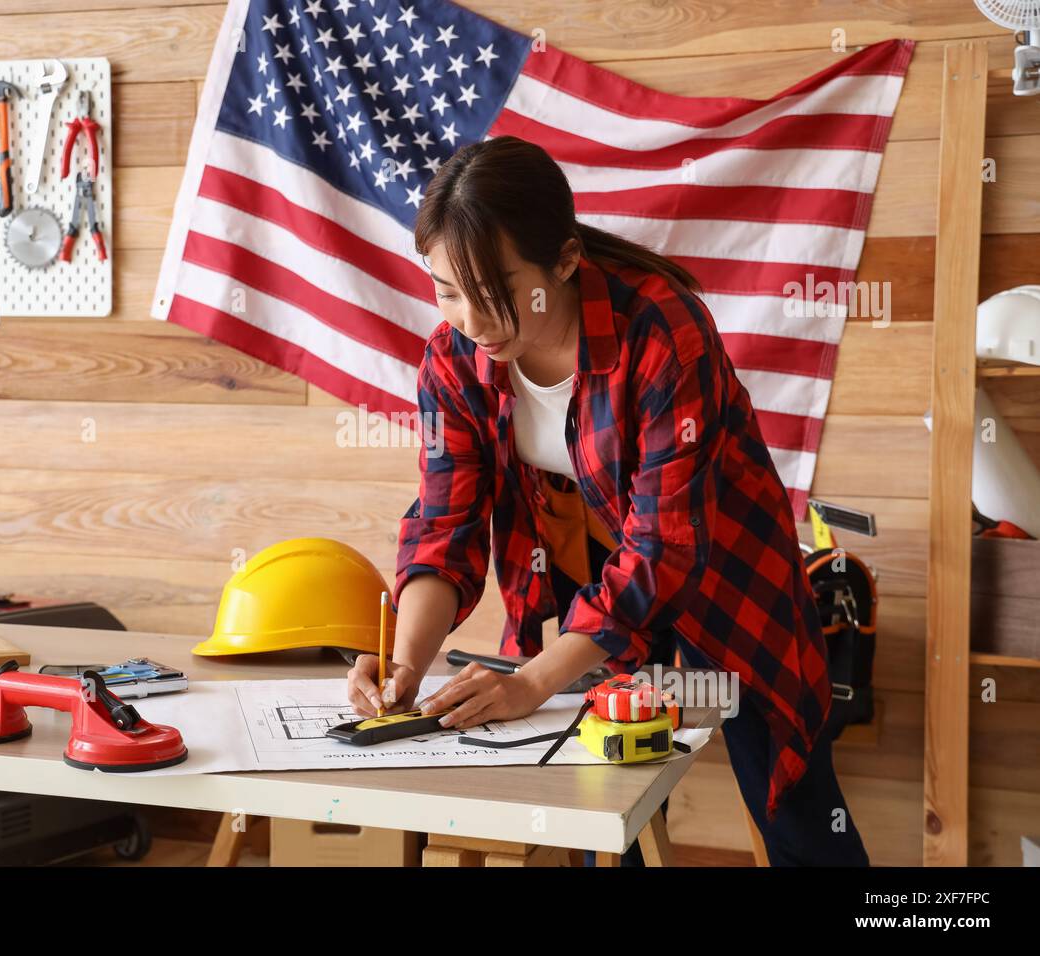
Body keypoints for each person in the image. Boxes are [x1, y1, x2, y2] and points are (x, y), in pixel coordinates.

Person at [345, 136, 868, 866]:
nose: (469, 319)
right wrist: (404, 663)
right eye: (446, 288)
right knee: (598, 791)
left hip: (722, 568)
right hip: (588, 576)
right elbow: (445, 523)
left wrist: (531, 681)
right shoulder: (452, 358)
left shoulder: (663, 331)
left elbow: (665, 548)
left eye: (493, 288)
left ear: (563, 261)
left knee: (793, 799)